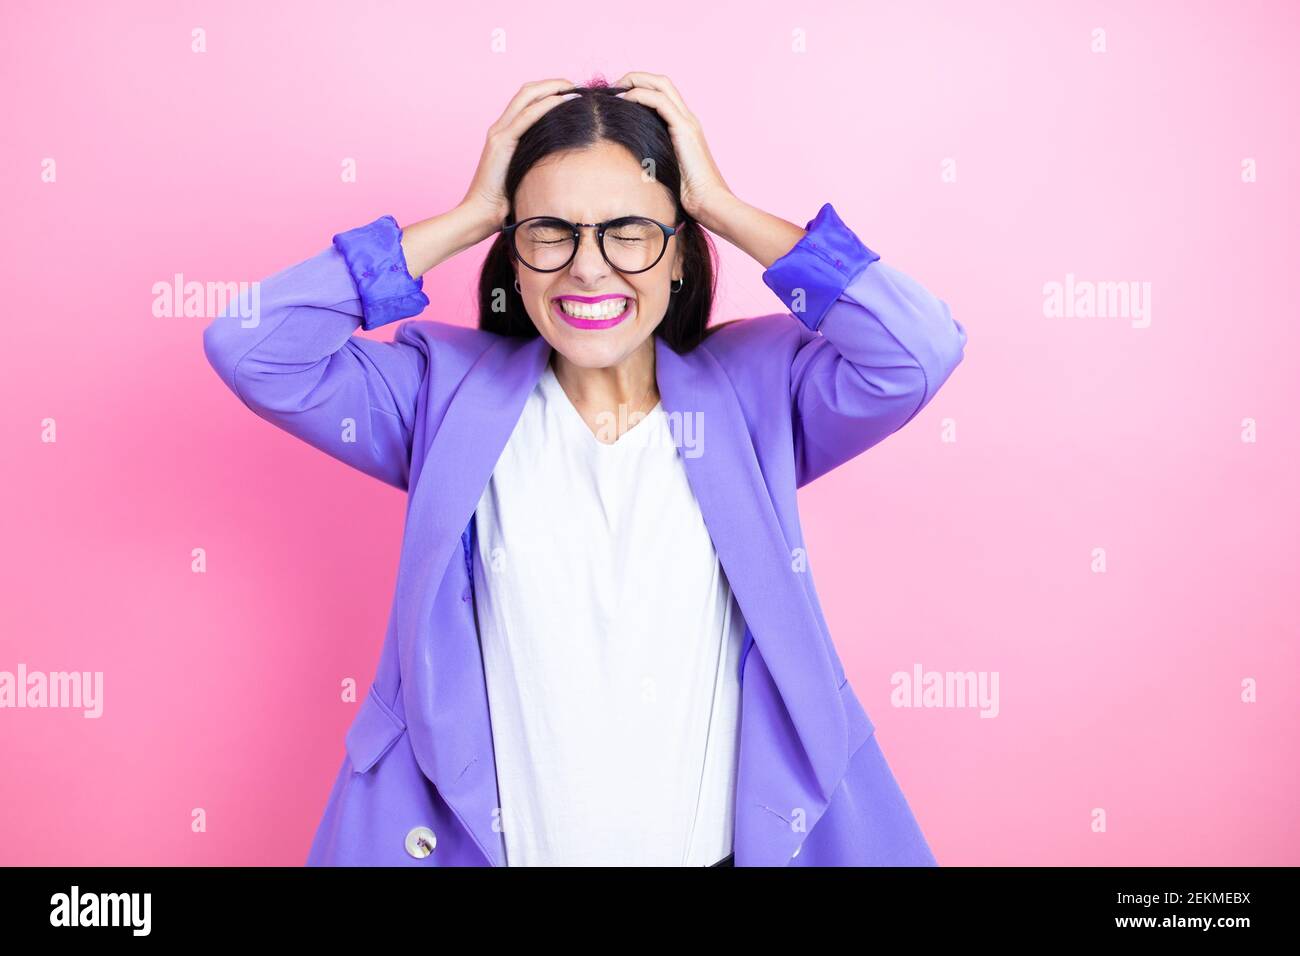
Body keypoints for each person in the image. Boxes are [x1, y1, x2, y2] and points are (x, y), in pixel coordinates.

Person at [203, 73, 967, 867]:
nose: (589, 268)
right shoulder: (443, 396)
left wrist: (721, 206)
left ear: (678, 255)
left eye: (630, 231)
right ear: (515, 252)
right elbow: (253, 346)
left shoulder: (757, 394)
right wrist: (472, 216)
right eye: (549, 232)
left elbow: (918, 349)